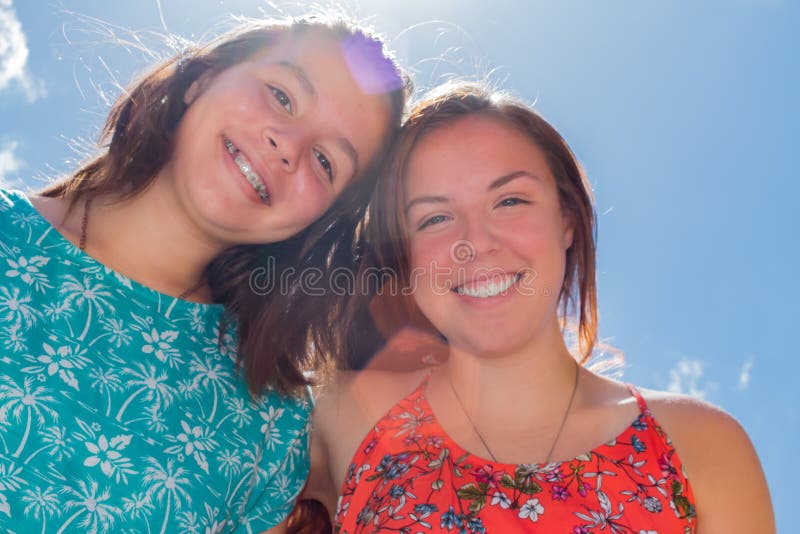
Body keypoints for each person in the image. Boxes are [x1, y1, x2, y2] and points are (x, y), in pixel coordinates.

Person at [0, 14, 407, 532]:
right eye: (281, 96)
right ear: (203, 78)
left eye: (325, 161)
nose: (288, 146)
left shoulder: (271, 421)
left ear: (320, 221)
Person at [307, 82, 775, 532]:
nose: (476, 242)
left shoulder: (701, 445)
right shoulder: (340, 417)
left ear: (566, 219)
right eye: (435, 218)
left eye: (509, 200)